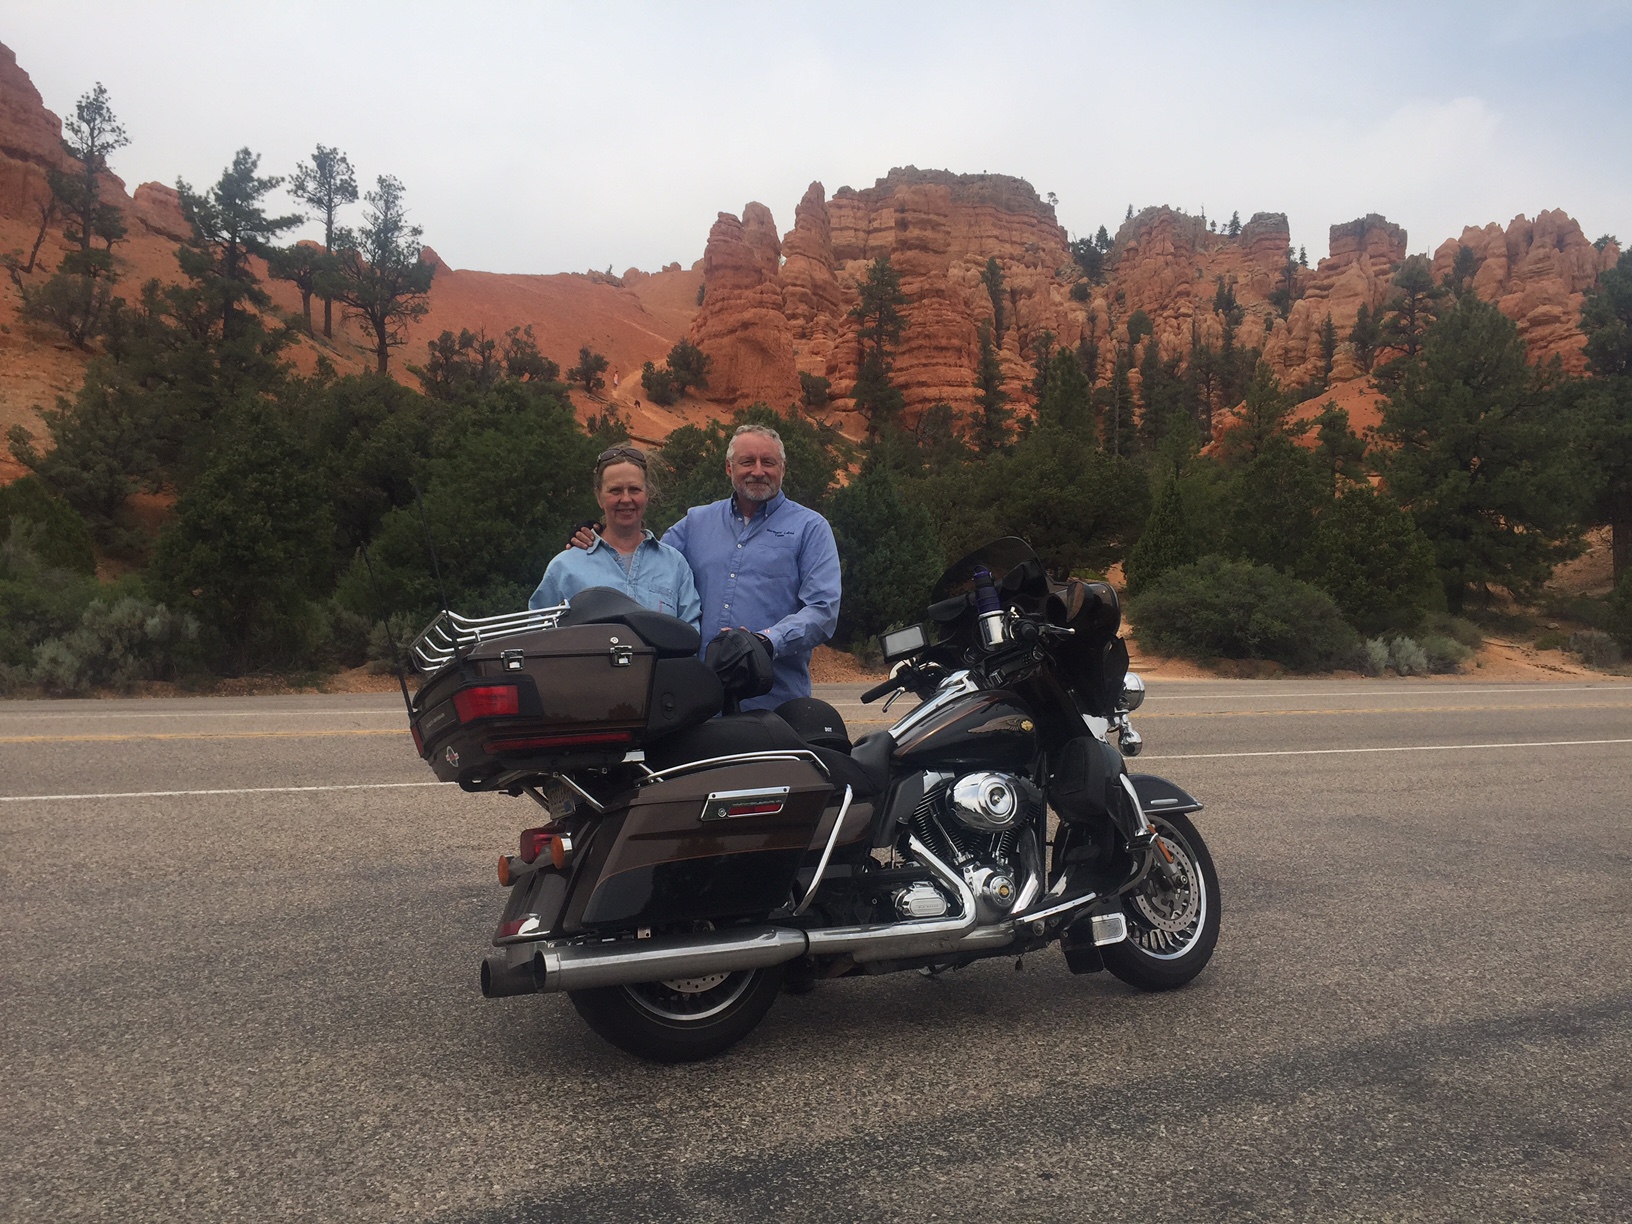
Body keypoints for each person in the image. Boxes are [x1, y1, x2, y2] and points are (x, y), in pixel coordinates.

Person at [571, 424, 840, 710]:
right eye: (747, 462)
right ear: (729, 468)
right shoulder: (696, 523)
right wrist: (597, 534)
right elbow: (645, 560)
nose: (758, 471)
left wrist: (767, 642)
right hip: (701, 705)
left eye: (768, 462)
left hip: (776, 701)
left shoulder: (810, 528)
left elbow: (823, 611)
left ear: (783, 468)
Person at [530, 445, 701, 631]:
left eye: (634, 489)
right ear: (598, 496)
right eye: (615, 490)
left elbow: (690, 636)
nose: (626, 499)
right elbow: (537, 638)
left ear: (647, 494)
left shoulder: (674, 566)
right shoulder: (564, 568)